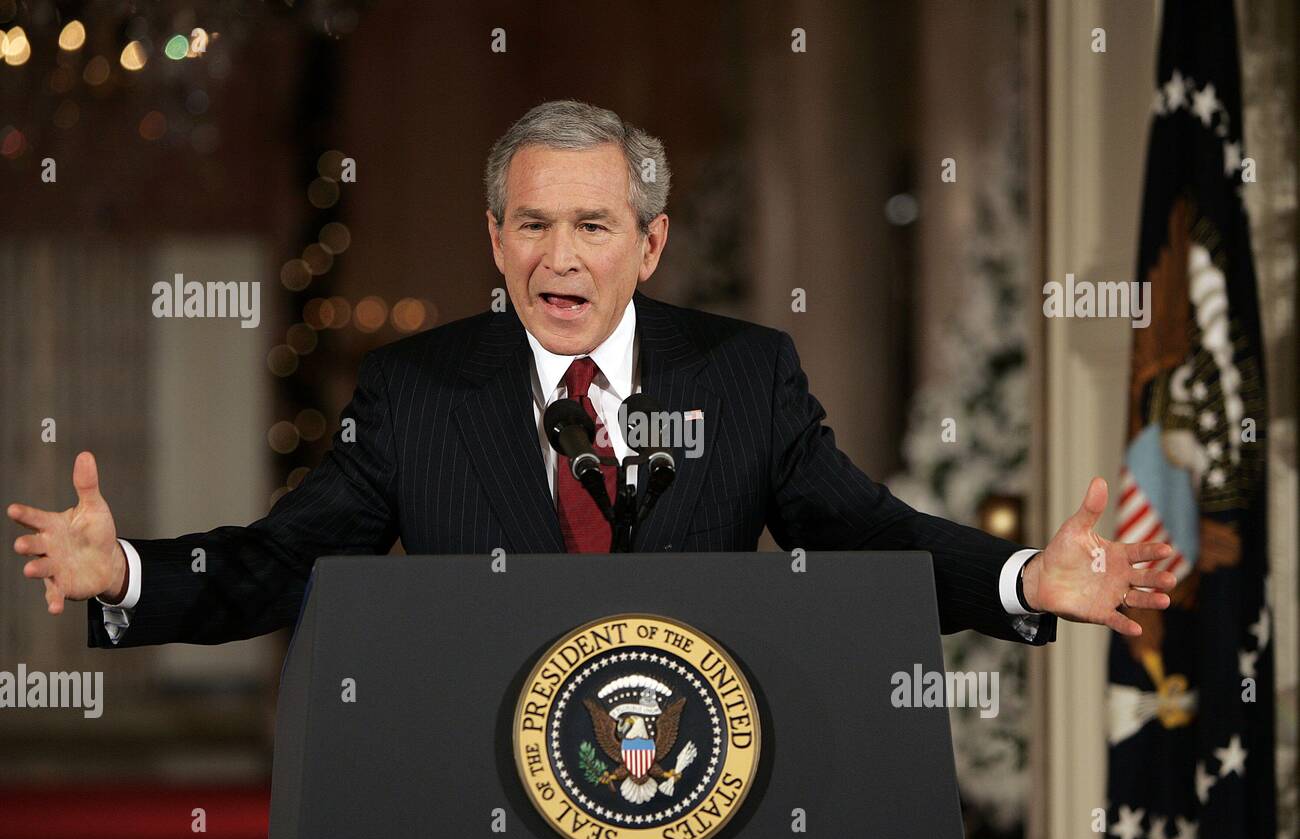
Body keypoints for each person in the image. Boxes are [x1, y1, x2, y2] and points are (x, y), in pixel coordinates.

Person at [7, 99, 1175, 650]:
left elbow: (864, 531)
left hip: (695, 788)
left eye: (592, 225)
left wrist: (1024, 575)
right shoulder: (417, 389)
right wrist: (132, 572)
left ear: (650, 242)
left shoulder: (744, 372)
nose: (556, 257)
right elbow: (282, 562)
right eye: (530, 224)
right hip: (483, 789)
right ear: (493, 236)